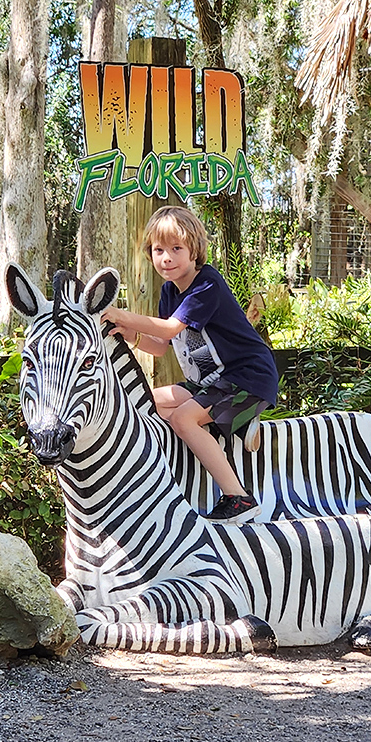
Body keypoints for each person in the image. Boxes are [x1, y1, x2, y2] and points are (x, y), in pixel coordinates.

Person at [101, 205, 278, 525]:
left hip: (246, 378)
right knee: (147, 402)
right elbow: (160, 346)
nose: (166, 257)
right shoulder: (169, 291)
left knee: (183, 420)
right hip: (209, 383)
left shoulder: (207, 284)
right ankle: (221, 430)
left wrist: (123, 314)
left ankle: (238, 498)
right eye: (158, 250)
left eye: (176, 249)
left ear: (194, 250)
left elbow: (169, 328)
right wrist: (129, 334)